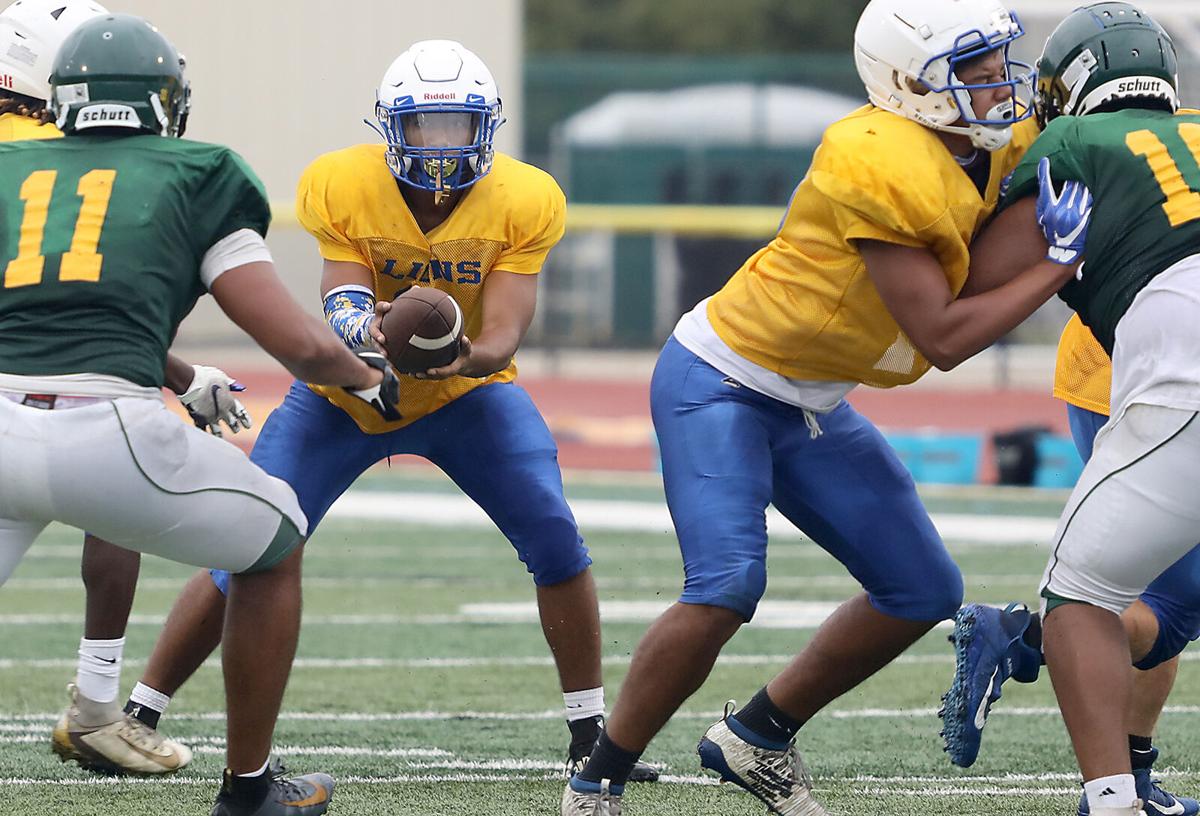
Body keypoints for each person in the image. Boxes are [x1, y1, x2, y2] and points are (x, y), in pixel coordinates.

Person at [560, 0, 1091, 812]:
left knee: (921, 588)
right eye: (973, 66)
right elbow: (943, 335)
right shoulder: (878, 160)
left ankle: (759, 735)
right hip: (724, 379)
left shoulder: (998, 139)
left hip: (811, 396)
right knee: (727, 584)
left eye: (996, 59)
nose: (997, 79)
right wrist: (1060, 262)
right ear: (910, 84)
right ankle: (599, 776)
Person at [111, 38, 657, 783]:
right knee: (248, 541)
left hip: (468, 396)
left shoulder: (525, 198)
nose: (438, 145)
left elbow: (502, 336)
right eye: (422, 126)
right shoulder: (343, 183)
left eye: (455, 126)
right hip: (348, 395)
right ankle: (140, 713)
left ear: (485, 127)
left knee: (555, 536)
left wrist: (454, 356)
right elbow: (342, 298)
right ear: (391, 127)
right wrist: (371, 334)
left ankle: (589, 728)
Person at [0, 12, 402, 816]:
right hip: (105, 430)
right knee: (277, 539)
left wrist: (177, 376)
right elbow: (298, 344)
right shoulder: (200, 171)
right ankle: (251, 790)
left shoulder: (12, 169)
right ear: (164, 100)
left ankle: (109, 704)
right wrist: (366, 379)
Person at [941, 4, 1200, 814]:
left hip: (1180, 364)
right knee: (1170, 603)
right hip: (1157, 363)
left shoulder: (1076, 142)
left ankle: (1114, 796)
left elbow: (975, 289)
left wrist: (1053, 257)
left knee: (1084, 595)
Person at [0, 0, 251, 777]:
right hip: (43, 389)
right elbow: (85, 300)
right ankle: (100, 704)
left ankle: (100, 705)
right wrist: (180, 374)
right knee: (121, 456)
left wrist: (172, 372)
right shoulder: (41, 148)